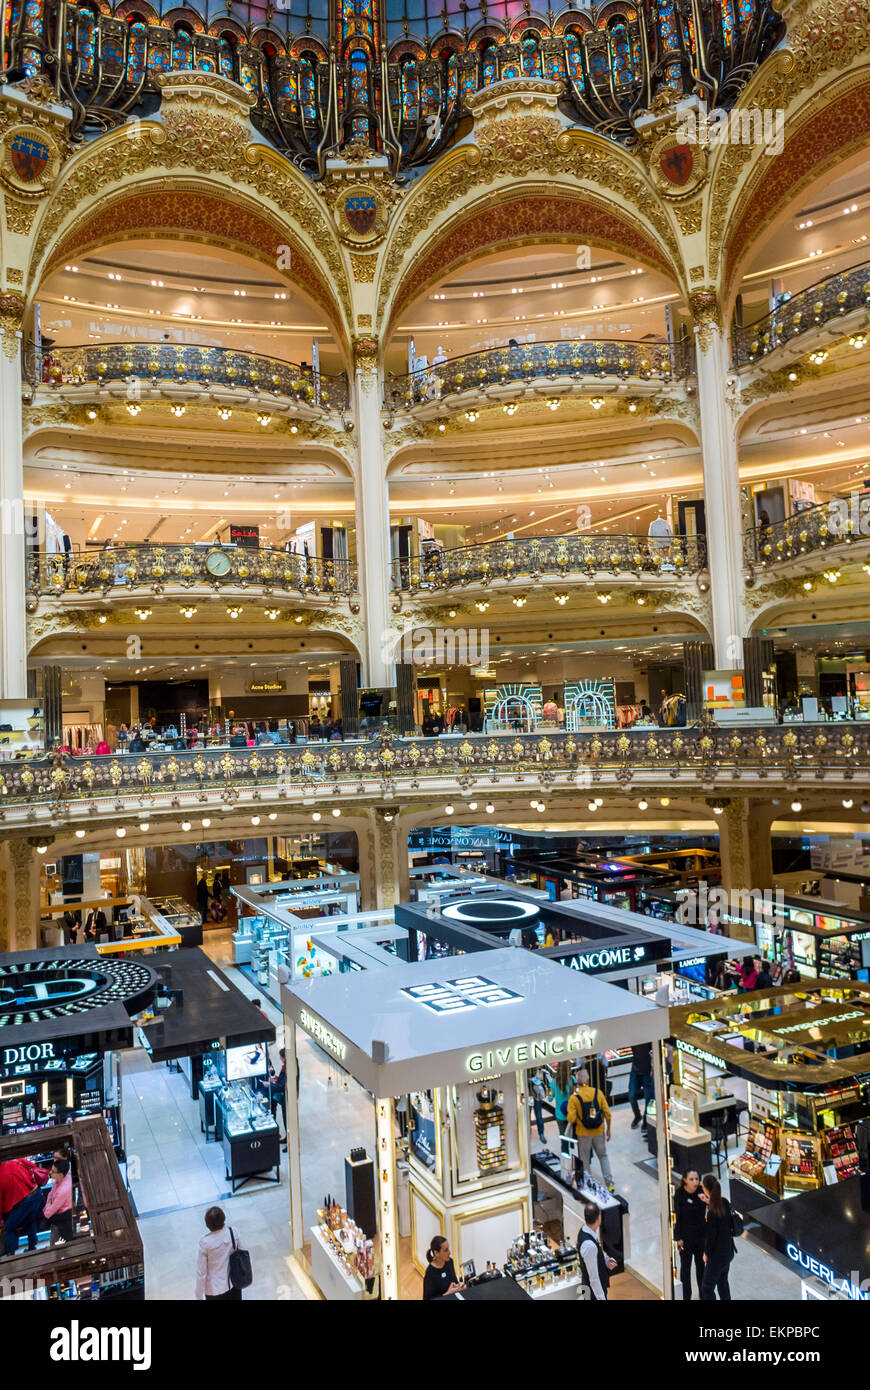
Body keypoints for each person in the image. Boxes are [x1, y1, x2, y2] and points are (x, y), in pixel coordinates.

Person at [567, 1066, 614, 1191]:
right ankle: (610, 1184)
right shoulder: (597, 1092)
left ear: (576, 1082)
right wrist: (608, 1130)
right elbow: (607, 1114)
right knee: (603, 1156)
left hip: (583, 1134)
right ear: (587, 1081)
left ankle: (590, 1186)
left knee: (585, 1160)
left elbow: (571, 1119)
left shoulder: (574, 1098)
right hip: (598, 1131)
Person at [0, 1155, 51, 1255]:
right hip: (36, 1193)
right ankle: (32, 1246)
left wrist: (0, 1219)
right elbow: (32, 1164)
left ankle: (11, 1253)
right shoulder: (15, 1162)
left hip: (24, 1201)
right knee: (29, 1220)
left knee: (9, 1228)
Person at [700, 1173, 736, 1301]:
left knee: (707, 1288)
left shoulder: (711, 1213)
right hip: (728, 1251)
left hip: (716, 1257)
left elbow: (711, 1237)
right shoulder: (725, 1202)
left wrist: (706, 1253)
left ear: (705, 1189)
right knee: (722, 1283)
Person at [195, 1206, 242, 1300]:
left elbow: (201, 1273)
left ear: (207, 1224)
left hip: (214, 1290)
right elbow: (243, 1254)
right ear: (223, 1218)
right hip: (234, 1283)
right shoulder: (233, 1232)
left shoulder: (205, 1243)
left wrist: (198, 1295)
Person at [674, 1169, 706, 1300]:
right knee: (685, 1268)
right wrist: (678, 1238)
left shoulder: (702, 1192)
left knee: (701, 1267)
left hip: (700, 1237)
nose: (695, 1182)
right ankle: (686, 1296)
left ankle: (704, 1295)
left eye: (697, 1179)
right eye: (692, 1179)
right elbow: (676, 1217)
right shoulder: (679, 1194)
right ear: (685, 1180)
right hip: (685, 1239)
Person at [577, 1202, 617, 1302]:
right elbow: (594, 1279)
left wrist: (605, 1260)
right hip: (592, 1294)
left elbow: (593, 1259)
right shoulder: (589, 1245)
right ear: (599, 1218)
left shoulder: (585, 1230)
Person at [422, 1235, 465, 1299]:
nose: (449, 1252)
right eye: (446, 1250)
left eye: (448, 1249)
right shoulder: (430, 1273)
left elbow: (454, 1281)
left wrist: (459, 1285)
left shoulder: (450, 1262)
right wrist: (447, 1293)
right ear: (436, 1253)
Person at [44, 1158, 74, 1245]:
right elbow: (50, 1194)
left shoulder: (62, 1190)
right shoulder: (64, 1178)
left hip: (61, 1221)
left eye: (53, 1171)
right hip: (60, 1219)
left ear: (60, 1174)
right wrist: (49, 1202)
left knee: (56, 1247)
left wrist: (48, 1204)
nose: (50, 1172)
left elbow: (47, 1213)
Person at [628, 1041, 654, 1132]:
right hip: (635, 1069)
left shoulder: (648, 1037)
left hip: (647, 1070)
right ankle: (637, 1116)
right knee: (631, 1095)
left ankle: (646, 1120)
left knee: (648, 1097)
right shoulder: (633, 1035)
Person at [529, 1069, 548, 1145]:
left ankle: (541, 1134)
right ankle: (530, 1131)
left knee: (539, 1115)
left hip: (536, 1096)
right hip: (529, 1095)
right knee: (529, 1114)